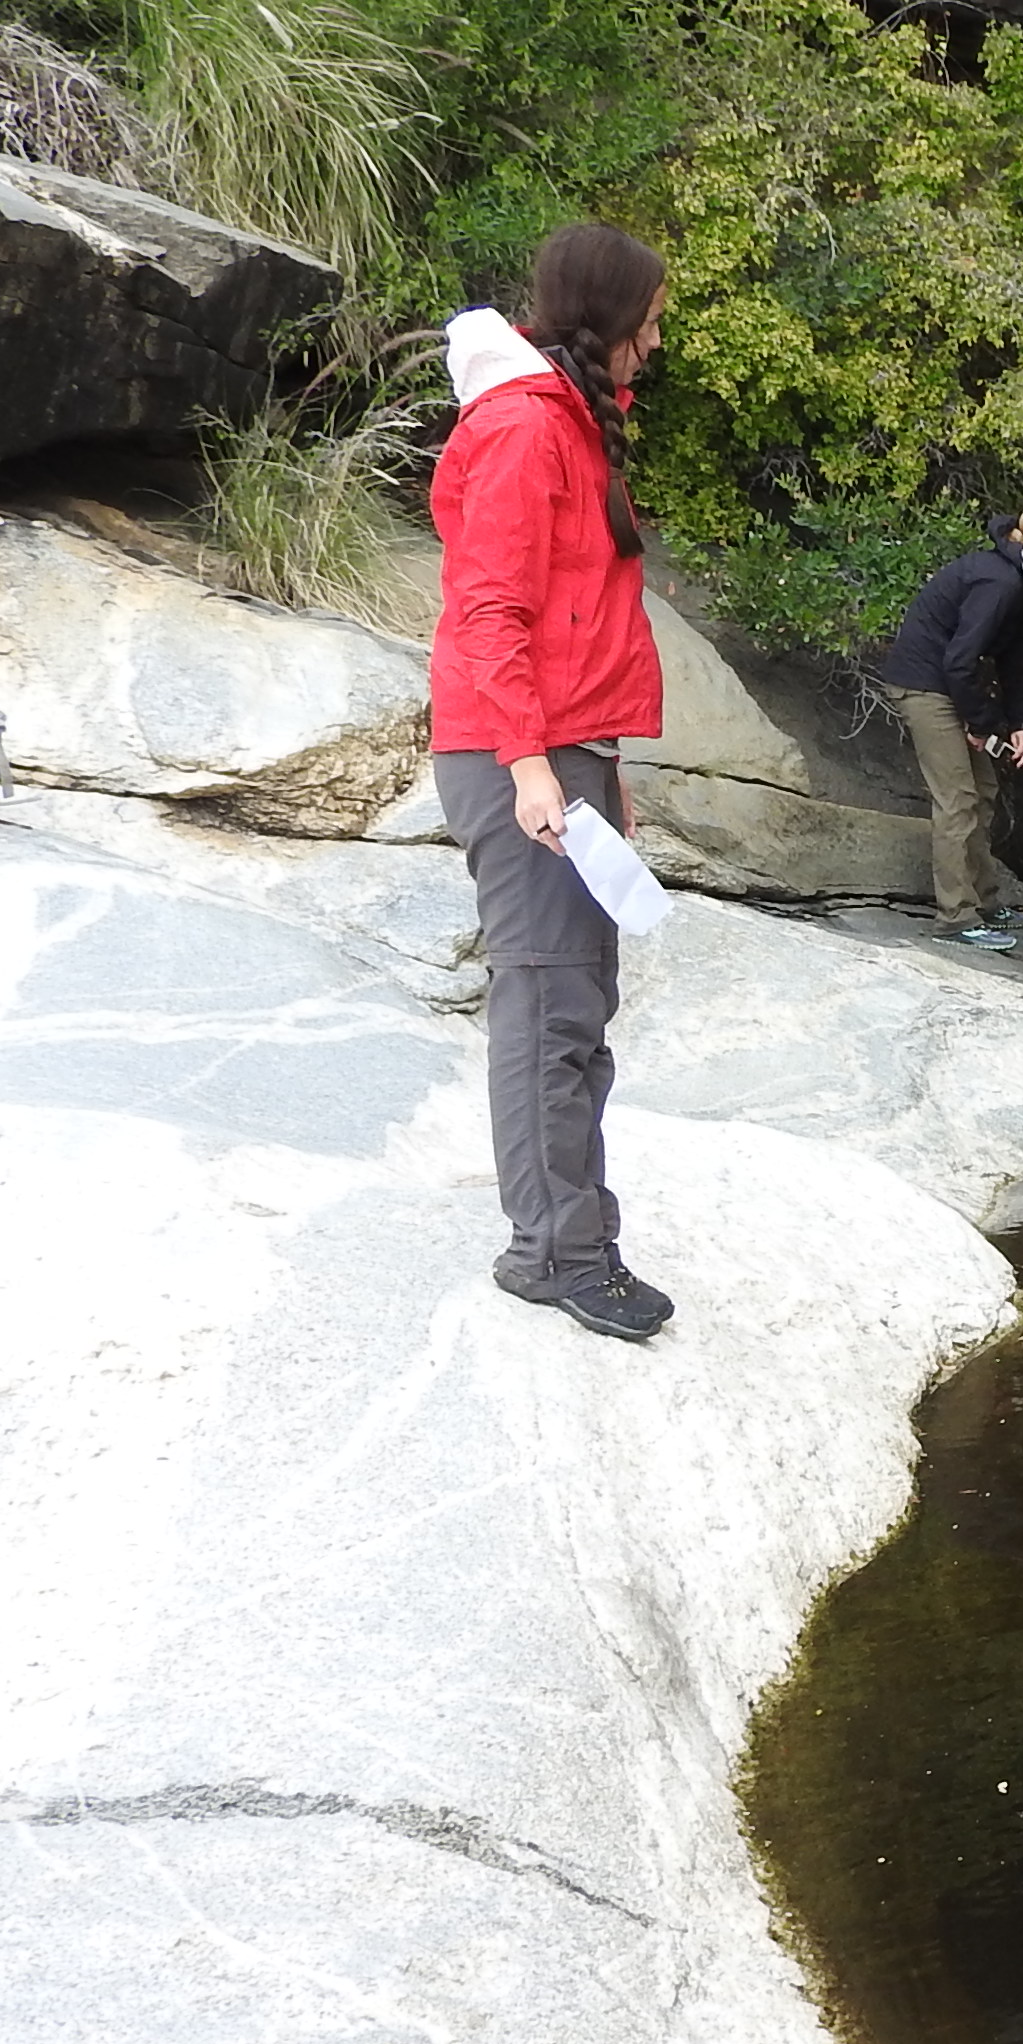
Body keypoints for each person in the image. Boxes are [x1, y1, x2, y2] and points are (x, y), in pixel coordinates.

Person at [429, 222, 673, 1344]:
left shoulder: (570, 421)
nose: (656, 342)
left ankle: (579, 1236)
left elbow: (576, 623)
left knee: (576, 1003)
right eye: (650, 321)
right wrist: (532, 766)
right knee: (545, 1006)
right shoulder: (529, 428)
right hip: (511, 751)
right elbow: (491, 612)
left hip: (560, 748)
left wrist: (597, 773)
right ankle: (552, 1255)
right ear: (607, 318)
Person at [870, 498, 1023, 949]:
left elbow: (1013, 661)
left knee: (984, 790)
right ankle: (955, 917)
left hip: (949, 684)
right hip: (925, 686)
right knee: (958, 799)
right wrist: (983, 724)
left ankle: (985, 901)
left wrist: (1018, 724)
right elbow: (959, 662)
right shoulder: (1000, 582)